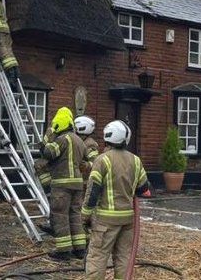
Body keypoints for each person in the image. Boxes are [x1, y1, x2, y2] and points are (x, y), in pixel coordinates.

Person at [82, 120, 150, 280]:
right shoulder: (136, 160)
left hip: (105, 221)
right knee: (123, 258)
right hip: (128, 220)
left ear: (107, 138)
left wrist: (85, 215)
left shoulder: (102, 160)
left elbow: (92, 191)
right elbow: (143, 188)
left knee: (97, 257)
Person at [40, 107, 88, 260]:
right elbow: (86, 161)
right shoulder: (80, 140)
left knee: (60, 216)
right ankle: (80, 249)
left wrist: (48, 135)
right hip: (78, 185)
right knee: (75, 215)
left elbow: (48, 153)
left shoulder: (62, 139)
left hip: (62, 185)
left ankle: (63, 251)